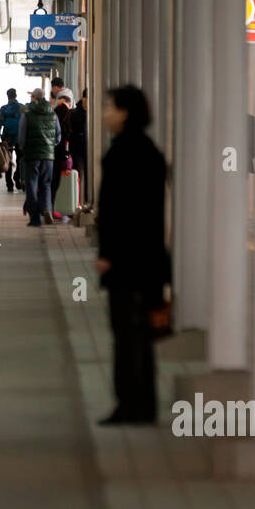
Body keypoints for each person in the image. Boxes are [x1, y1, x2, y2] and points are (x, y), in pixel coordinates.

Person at [94, 86, 168, 425]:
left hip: (128, 260)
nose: (106, 113)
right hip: (147, 257)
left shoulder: (124, 153)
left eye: (110, 107)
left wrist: (109, 254)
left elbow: (120, 212)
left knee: (128, 333)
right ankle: (144, 404)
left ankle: (131, 405)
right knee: (140, 334)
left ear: (124, 112)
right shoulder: (147, 150)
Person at [17, 87, 60, 227]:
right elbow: (58, 135)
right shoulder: (53, 113)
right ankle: (47, 208)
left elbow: (21, 136)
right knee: (46, 184)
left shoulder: (27, 114)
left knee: (32, 185)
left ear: (34, 98)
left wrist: (23, 149)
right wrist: (50, 147)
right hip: (48, 156)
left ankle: (35, 218)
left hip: (32, 155)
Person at [50, 88, 74, 220]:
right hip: (62, 153)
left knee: (49, 182)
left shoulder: (52, 114)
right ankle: (65, 207)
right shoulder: (68, 115)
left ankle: (49, 207)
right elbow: (65, 136)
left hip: (50, 152)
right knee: (58, 182)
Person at [0, 88, 24, 193]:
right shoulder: (22, 107)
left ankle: (9, 185)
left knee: (7, 160)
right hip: (20, 137)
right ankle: (18, 178)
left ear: (7, 96)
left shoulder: (3, 109)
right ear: (16, 95)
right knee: (20, 159)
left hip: (7, 137)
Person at [69, 89, 88, 202]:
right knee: (78, 177)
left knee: (90, 178)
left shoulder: (95, 112)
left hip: (90, 150)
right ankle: (77, 202)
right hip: (77, 151)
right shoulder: (74, 113)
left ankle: (87, 200)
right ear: (84, 99)